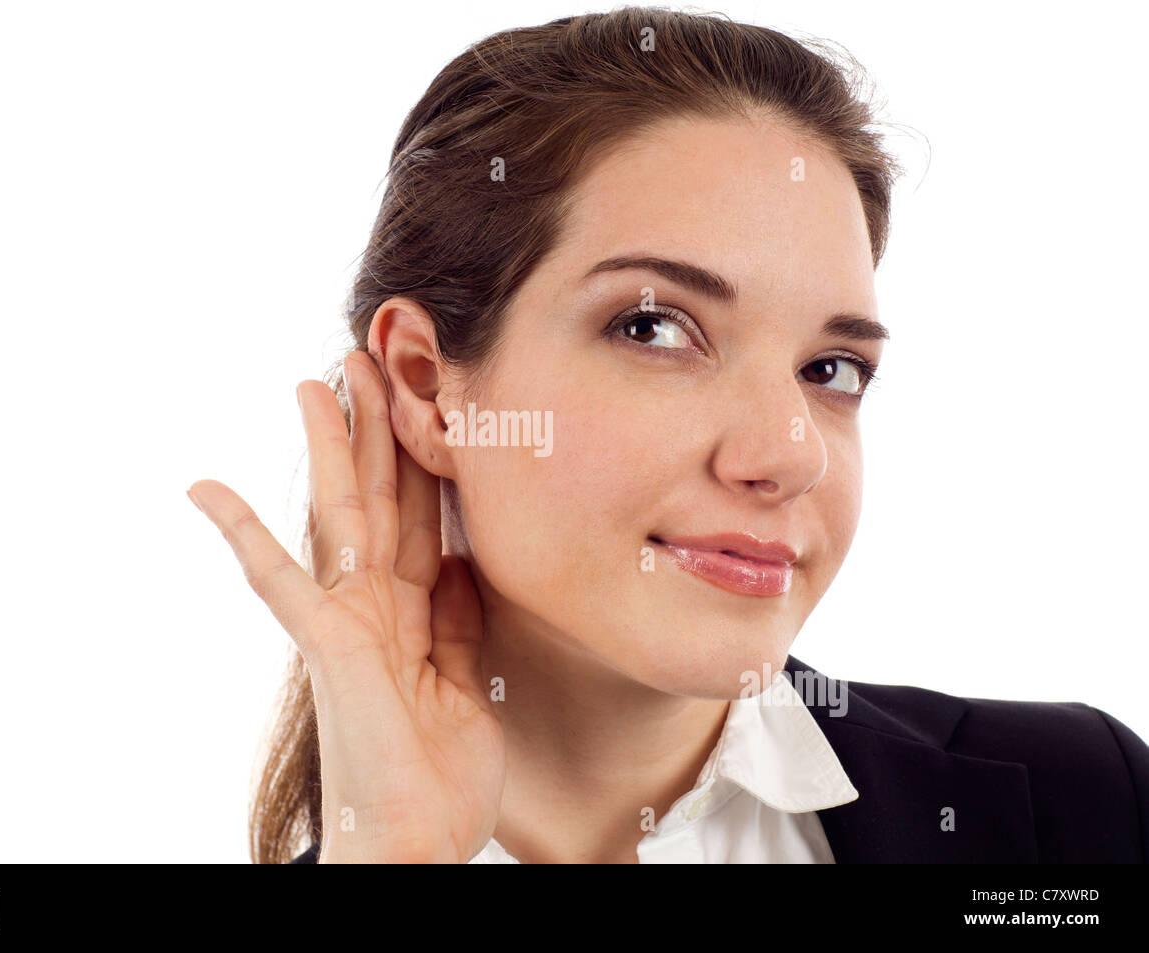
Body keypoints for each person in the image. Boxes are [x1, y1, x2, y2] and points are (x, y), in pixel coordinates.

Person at [186, 6, 1149, 863]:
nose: (787, 454)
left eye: (832, 370)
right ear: (429, 387)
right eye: (653, 327)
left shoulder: (1082, 808)